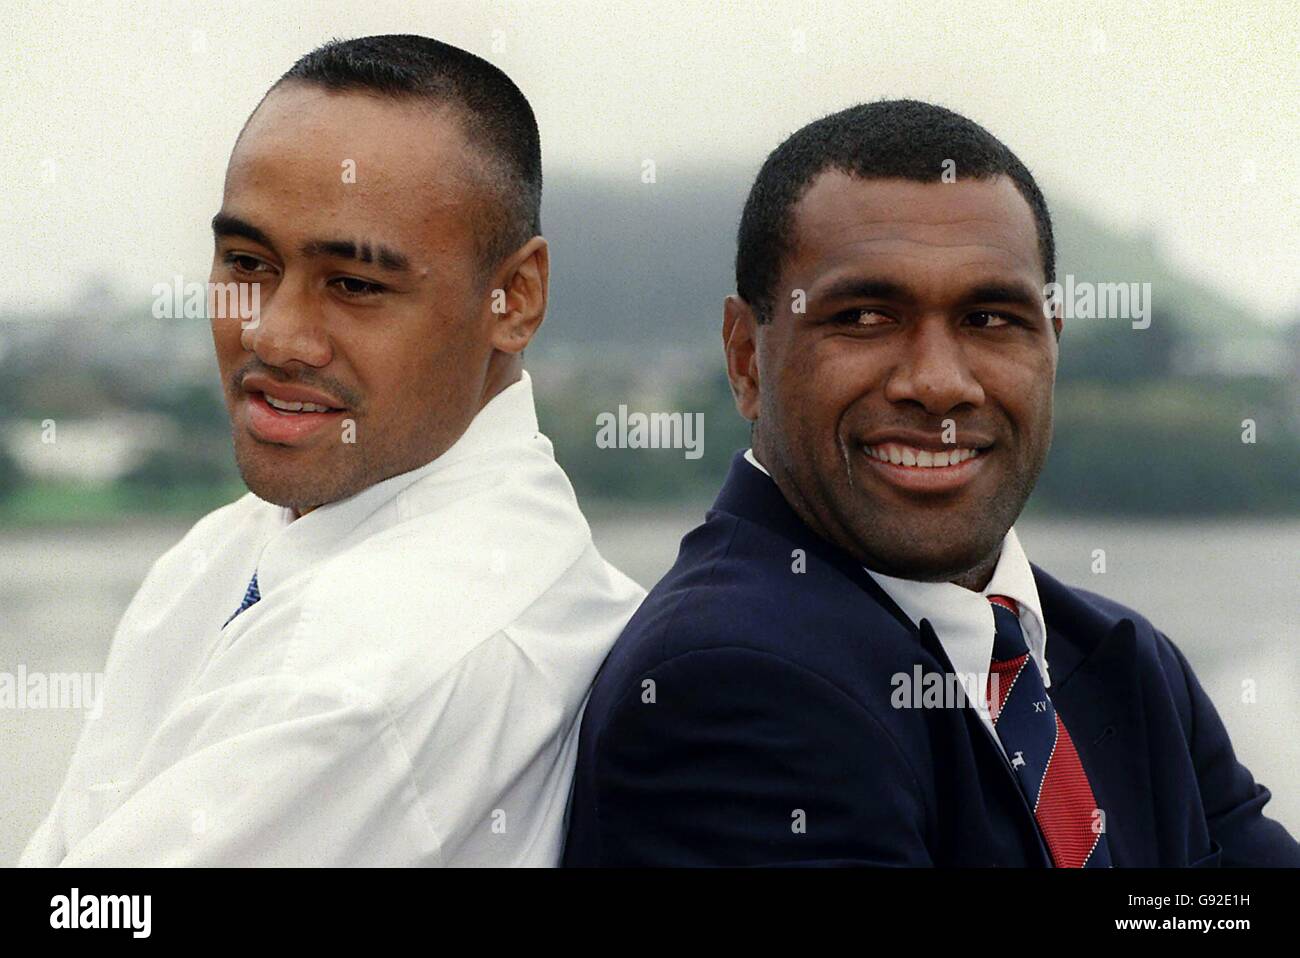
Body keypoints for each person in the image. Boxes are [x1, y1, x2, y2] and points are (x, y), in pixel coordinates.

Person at [563, 99, 1300, 867]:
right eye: (865, 317)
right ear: (747, 358)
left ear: (1053, 348)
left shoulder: (1127, 663)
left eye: (989, 319)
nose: (940, 385)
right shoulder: (724, 686)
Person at [21, 34, 644, 867]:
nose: (273, 334)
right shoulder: (232, 546)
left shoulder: (395, 656)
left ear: (514, 298)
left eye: (354, 285)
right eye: (247, 262)